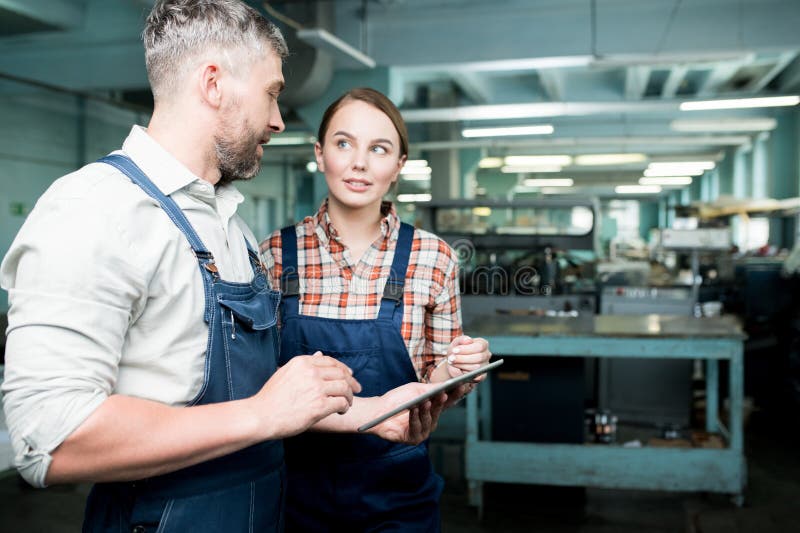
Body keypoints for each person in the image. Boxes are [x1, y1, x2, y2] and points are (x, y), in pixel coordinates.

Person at [1, 3, 441, 531]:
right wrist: (262, 416)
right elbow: (49, 440)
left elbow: (259, 396)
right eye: (272, 92)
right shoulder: (95, 211)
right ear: (214, 84)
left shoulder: (228, 225)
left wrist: (368, 414)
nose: (279, 119)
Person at [261, 87, 492, 532]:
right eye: (343, 143)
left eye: (379, 149)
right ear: (320, 153)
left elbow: (435, 380)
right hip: (293, 493)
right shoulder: (273, 254)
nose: (359, 163)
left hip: (397, 496)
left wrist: (460, 365)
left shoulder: (434, 257)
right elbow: (256, 382)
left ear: (399, 165)